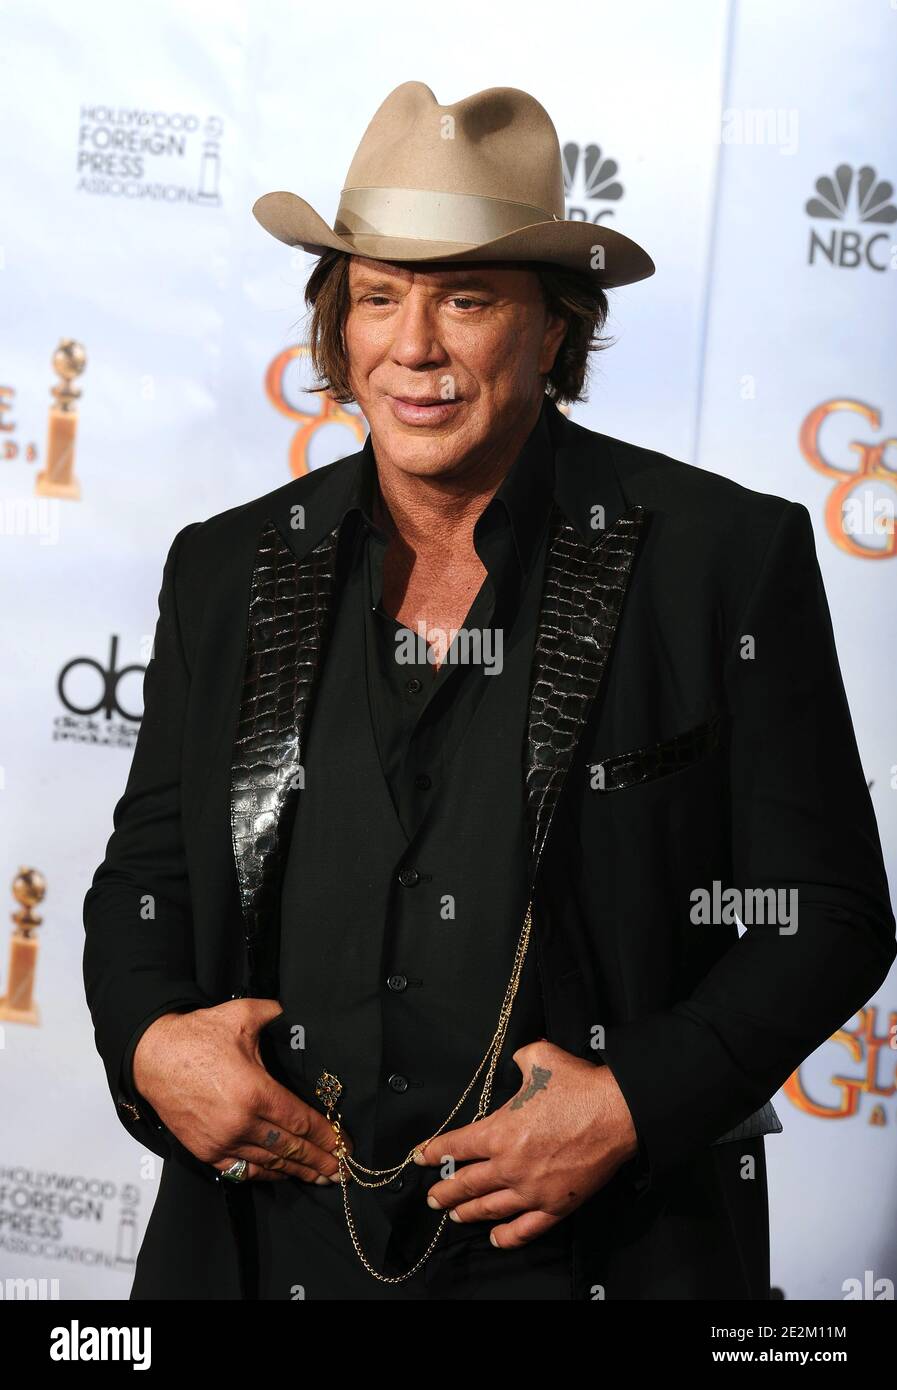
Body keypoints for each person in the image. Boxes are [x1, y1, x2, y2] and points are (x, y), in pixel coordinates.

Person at [83, 80, 895, 1301]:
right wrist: (150, 1047)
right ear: (336, 324)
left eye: (465, 298)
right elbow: (144, 882)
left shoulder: (720, 560)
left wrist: (633, 1101)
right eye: (378, 297)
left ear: (555, 327)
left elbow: (827, 913)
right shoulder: (232, 567)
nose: (414, 348)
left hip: (590, 1257)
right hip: (267, 1252)